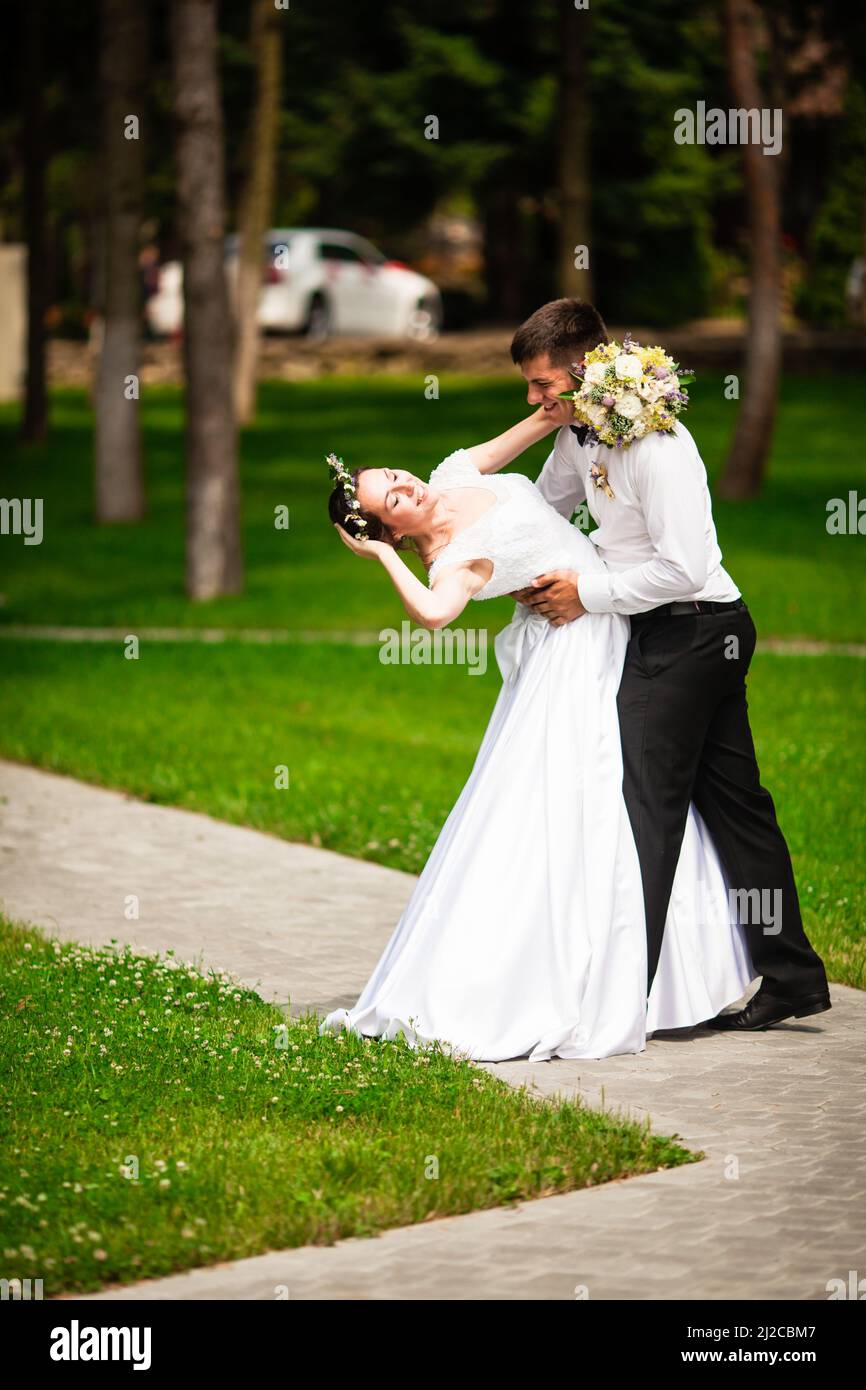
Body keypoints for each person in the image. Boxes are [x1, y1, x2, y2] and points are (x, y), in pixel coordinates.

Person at [318, 380, 755, 1063]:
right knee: (595, 795)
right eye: (392, 500)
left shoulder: (452, 474)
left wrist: (574, 402)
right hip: (575, 650)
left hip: (609, 622)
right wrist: (378, 560)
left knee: (642, 787)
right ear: (391, 531)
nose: (409, 486)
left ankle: (669, 977)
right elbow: (434, 615)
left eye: (396, 475)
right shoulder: (451, 561)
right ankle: (578, 977)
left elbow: (535, 428)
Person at [508, 298, 830, 1031]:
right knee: (737, 809)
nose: (534, 399)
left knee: (644, 813)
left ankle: (627, 998)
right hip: (669, 634)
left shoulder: (657, 443)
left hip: (693, 633)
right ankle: (794, 976)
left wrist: (587, 593)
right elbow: (540, 509)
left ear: (585, 367)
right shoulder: (579, 436)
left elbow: (685, 569)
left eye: (541, 385)